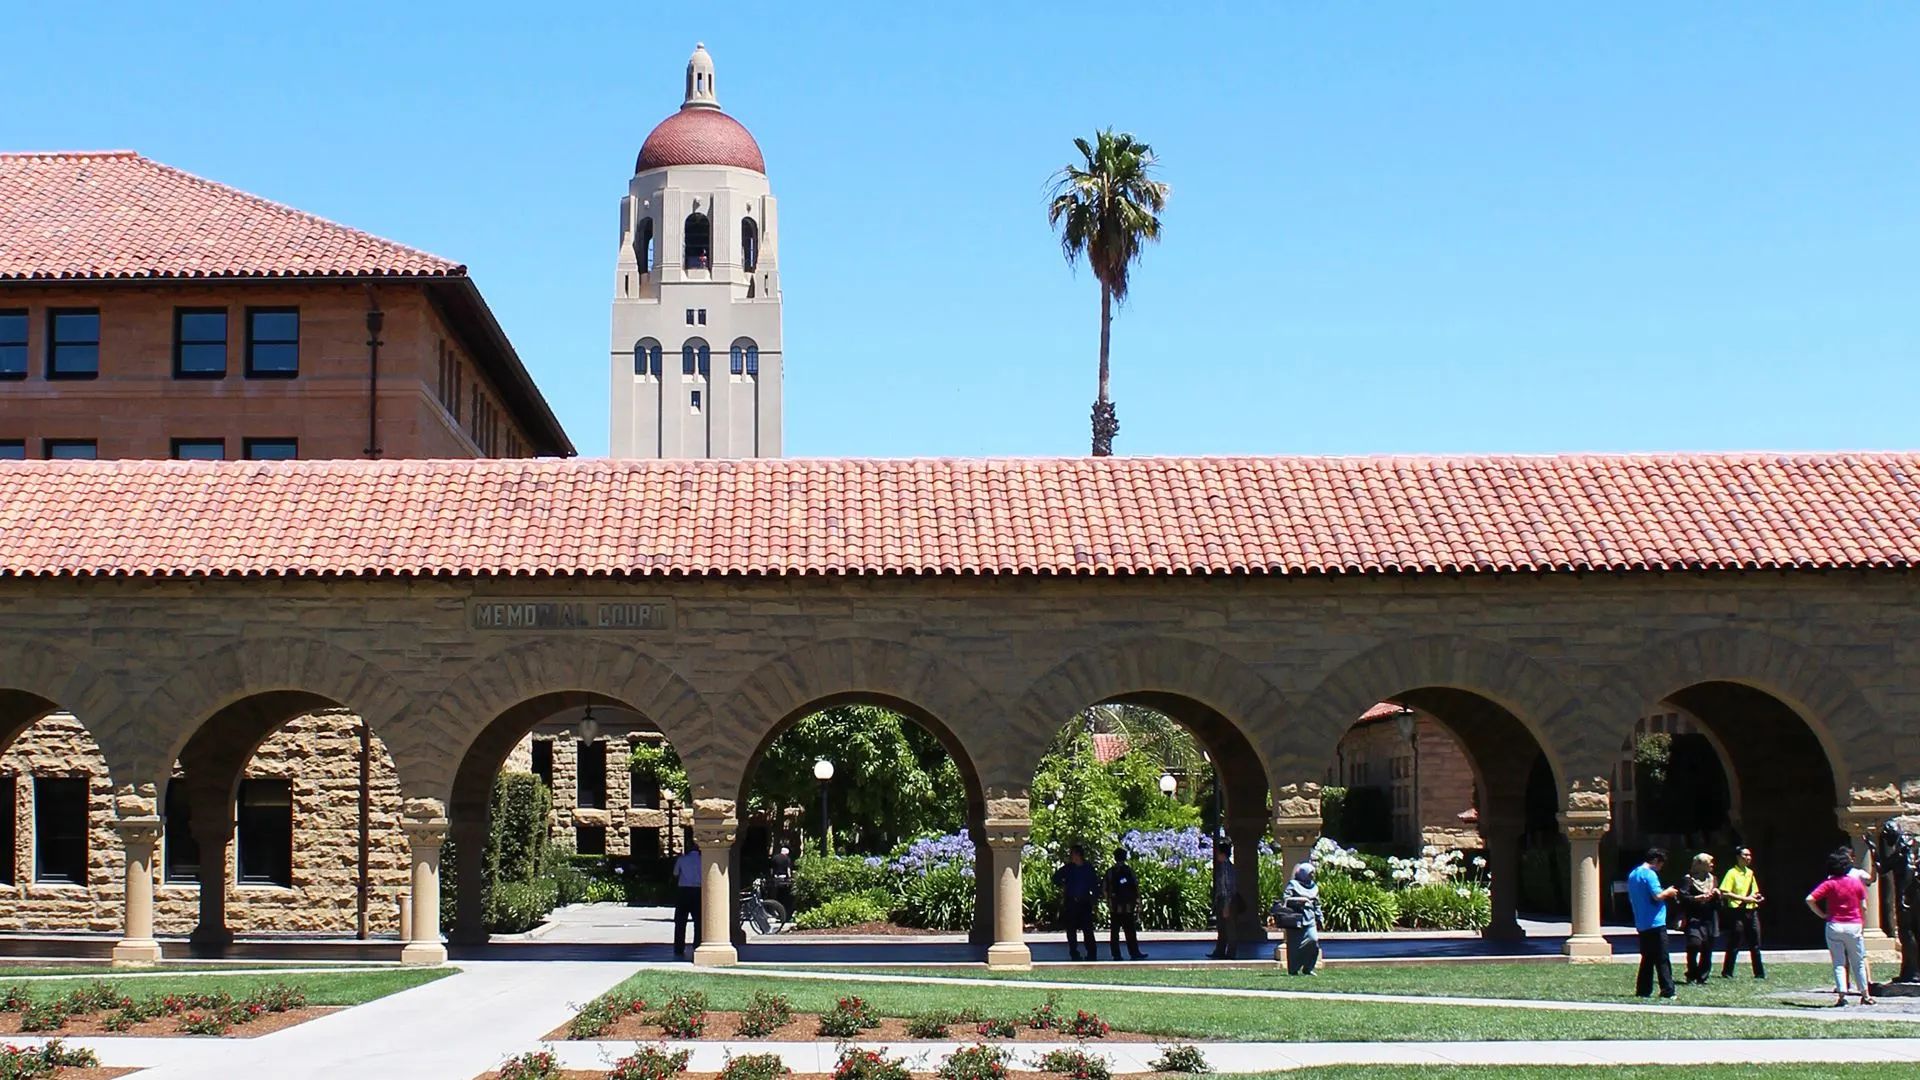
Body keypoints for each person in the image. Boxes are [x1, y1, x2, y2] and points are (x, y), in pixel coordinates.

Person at [1808, 847, 1874, 1006]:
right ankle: (1865, 995)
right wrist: (1862, 922)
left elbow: (1810, 899)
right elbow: (1863, 906)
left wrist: (1822, 915)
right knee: (1858, 961)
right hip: (1853, 925)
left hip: (1834, 925)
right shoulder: (1855, 883)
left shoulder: (1829, 883)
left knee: (1838, 962)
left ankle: (1842, 995)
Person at [1627, 847, 1679, 998]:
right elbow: (1657, 895)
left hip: (1642, 922)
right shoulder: (1650, 874)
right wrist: (1669, 892)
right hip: (1656, 922)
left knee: (1647, 958)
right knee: (1662, 957)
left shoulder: (1633, 874)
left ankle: (1643, 990)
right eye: (1661, 864)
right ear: (1656, 861)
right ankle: (1668, 990)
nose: (1661, 868)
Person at [1719, 846, 1765, 979]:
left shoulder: (1750, 873)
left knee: (1755, 942)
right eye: (1745, 855)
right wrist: (1744, 899)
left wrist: (1757, 897)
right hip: (1736, 911)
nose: (1748, 858)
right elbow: (1725, 892)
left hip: (1751, 910)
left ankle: (1759, 973)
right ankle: (1727, 972)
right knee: (1735, 941)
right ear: (1738, 857)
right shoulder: (1731, 873)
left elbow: (1754, 891)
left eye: (1750, 855)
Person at [1051, 844, 1101, 961]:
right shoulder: (1068, 868)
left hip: (1084, 903)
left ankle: (1092, 953)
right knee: (1071, 930)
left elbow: (1094, 884)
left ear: (1078, 855)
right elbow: (1055, 878)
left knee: (1088, 930)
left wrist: (1094, 899)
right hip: (1071, 903)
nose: (1071, 856)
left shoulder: (1088, 868)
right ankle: (1074, 952)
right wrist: (1064, 886)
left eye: (1072, 854)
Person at [1677, 852, 1720, 985]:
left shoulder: (1713, 879)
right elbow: (1682, 898)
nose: (1712, 865)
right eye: (1709, 862)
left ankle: (1702, 976)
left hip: (1710, 919)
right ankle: (1692, 973)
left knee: (1707, 949)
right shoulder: (1688, 879)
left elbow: (1719, 904)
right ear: (1700, 865)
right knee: (1694, 944)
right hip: (1694, 918)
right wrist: (1697, 898)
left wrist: (1717, 894)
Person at [1276, 861, 1322, 975]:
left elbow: (1317, 903)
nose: (1312, 876)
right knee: (1294, 946)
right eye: (1310, 873)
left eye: (1313, 874)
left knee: (1313, 940)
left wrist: (1319, 917)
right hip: (1296, 919)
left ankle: (1308, 967)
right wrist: (1300, 901)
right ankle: (1293, 969)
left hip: (1309, 918)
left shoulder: (1314, 887)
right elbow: (1286, 899)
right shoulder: (1293, 884)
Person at [1104, 847, 1147, 960]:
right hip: (1128, 907)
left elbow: (1105, 889)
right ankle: (1134, 952)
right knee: (1130, 931)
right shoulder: (1129, 871)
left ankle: (1116, 954)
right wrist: (1138, 902)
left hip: (1115, 907)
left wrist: (1109, 902)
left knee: (1115, 933)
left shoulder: (1110, 872)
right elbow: (1135, 887)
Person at [1207, 836, 1242, 960]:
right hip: (1221, 901)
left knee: (1230, 928)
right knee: (1222, 928)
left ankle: (1231, 952)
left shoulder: (1227, 868)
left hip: (1228, 901)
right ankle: (1220, 951)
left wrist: (1227, 906)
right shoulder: (1222, 867)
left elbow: (1229, 888)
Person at [671, 836, 703, 958]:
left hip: (683, 891)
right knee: (698, 921)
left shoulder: (682, 859)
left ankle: (679, 947)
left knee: (680, 922)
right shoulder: (703, 860)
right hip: (698, 891)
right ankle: (697, 944)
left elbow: (675, 873)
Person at [768, 844, 795, 913]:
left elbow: (771, 869)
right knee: (784, 894)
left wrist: (772, 877)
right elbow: (788, 869)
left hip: (776, 878)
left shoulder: (775, 858)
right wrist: (789, 878)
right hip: (784, 879)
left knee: (775, 894)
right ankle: (783, 909)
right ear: (787, 853)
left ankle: (774, 909)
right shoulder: (787, 859)